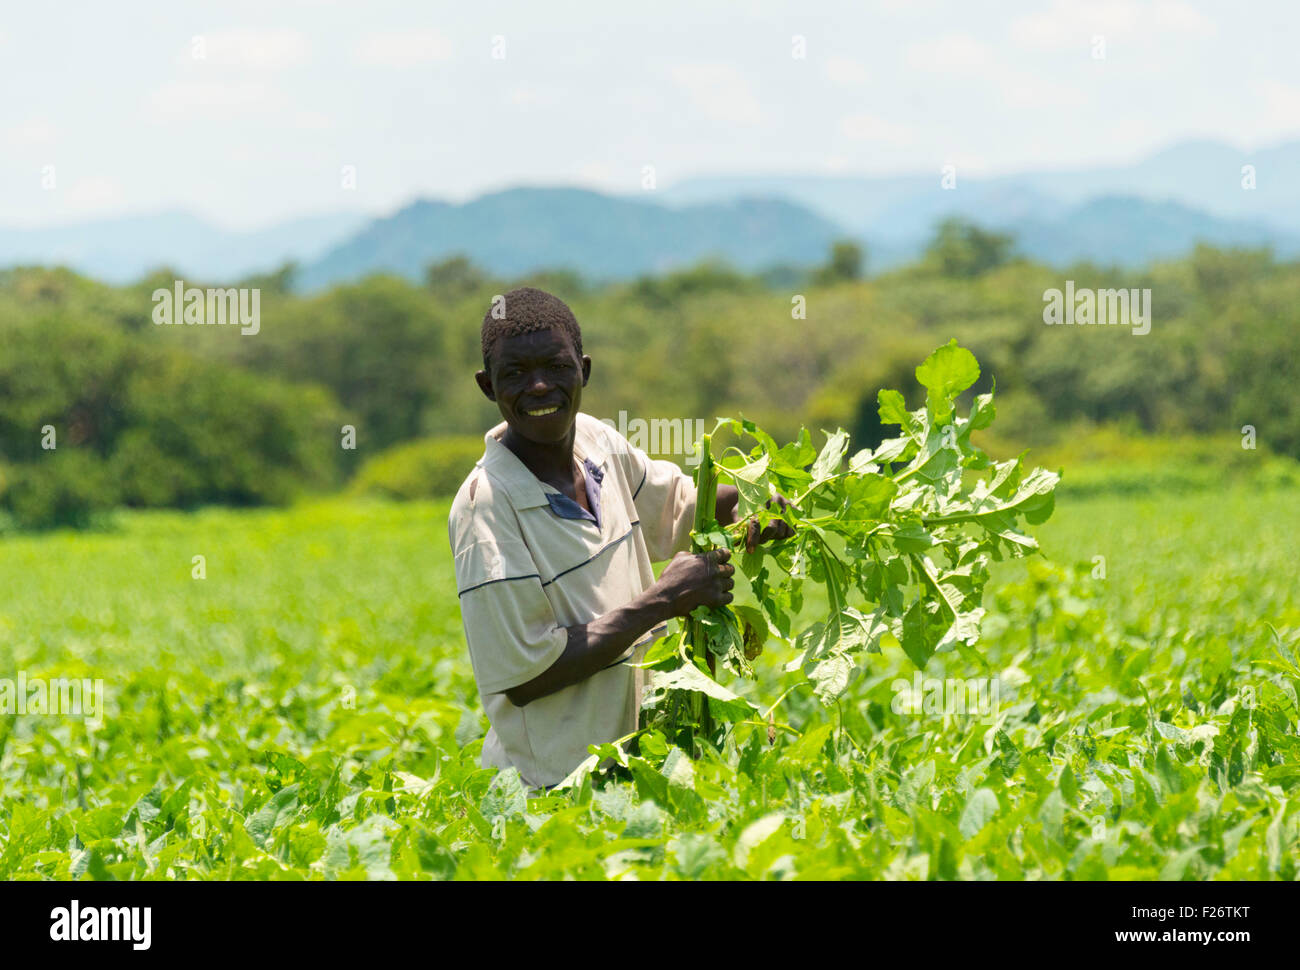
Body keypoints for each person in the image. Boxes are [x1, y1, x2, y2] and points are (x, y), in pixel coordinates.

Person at [448, 287, 791, 788]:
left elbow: (676, 507)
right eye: (516, 374)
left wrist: (747, 505)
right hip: (556, 792)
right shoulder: (486, 507)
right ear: (487, 386)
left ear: (583, 369)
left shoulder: (596, 442)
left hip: (644, 770)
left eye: (556, 367)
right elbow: (524, 677)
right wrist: (665, 600)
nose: (540, 386)